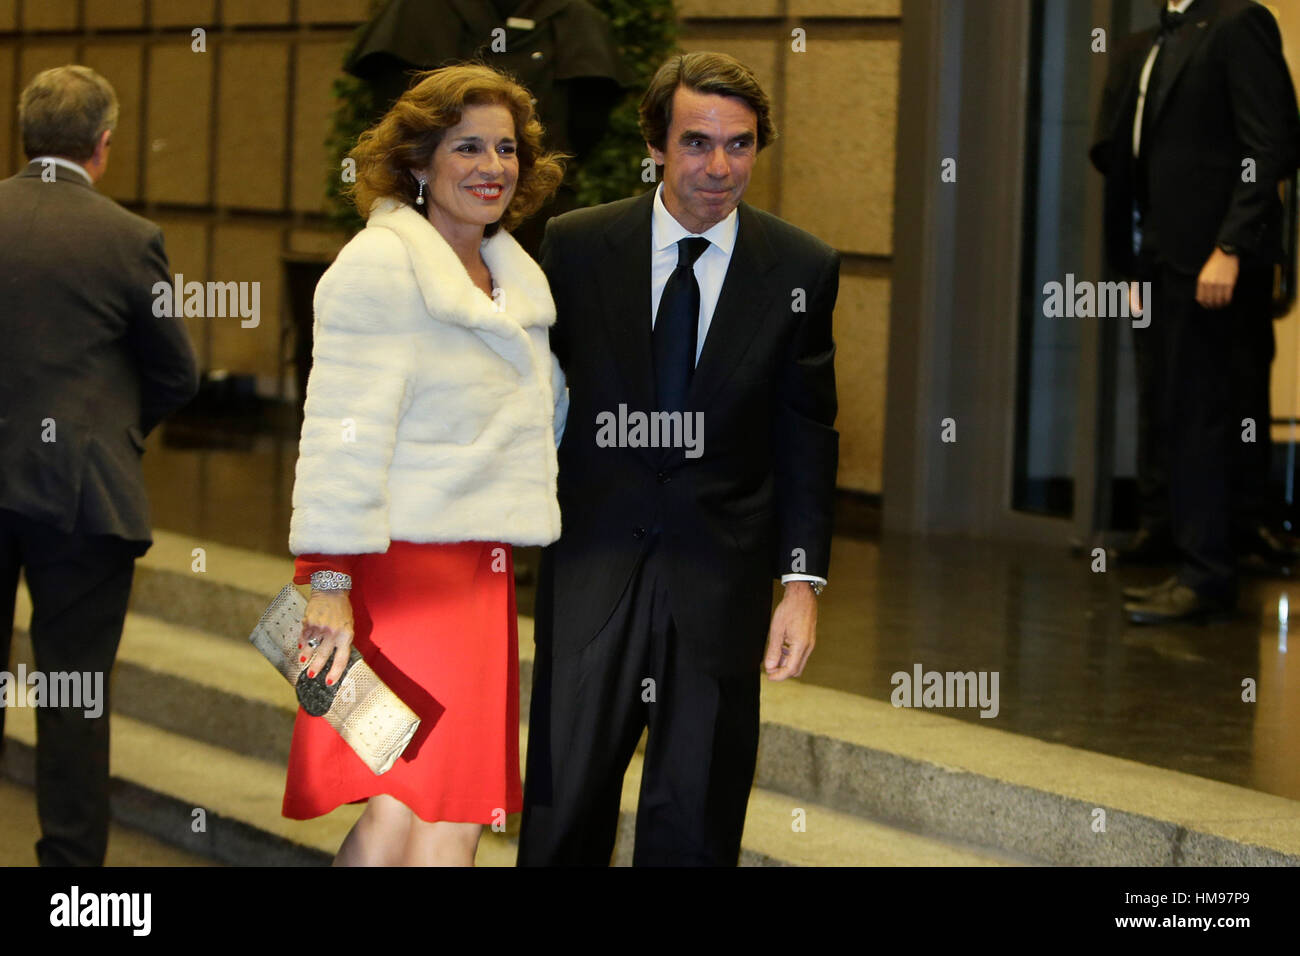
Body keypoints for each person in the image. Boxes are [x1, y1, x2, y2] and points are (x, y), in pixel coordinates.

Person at [518, 51, 840, 866]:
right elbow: (526, 404)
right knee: (563, 814)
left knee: (695, 823)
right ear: (656, 144)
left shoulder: (801, 268)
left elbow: (806, 433)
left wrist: (801, 584)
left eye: (740, 144)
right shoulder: (576, 245)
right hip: (590, 567)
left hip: (719, 579)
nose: (720, 167)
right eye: (697, 142)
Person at [284, 63, 567, 866]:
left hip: (480, 581)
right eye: (467, 146)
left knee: (447, 813)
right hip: (392, 583)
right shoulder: (379, 267)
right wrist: (327, 585)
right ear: (417, 161)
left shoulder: (515, 283)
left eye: (506, 149)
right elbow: (342, 436)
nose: (492, 167)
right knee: (405, 810)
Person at [0, 65, 199, 866]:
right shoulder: (127, 237)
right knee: (72, 695)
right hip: (81, 497)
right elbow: (176, 372)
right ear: (104, 145)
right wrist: (112, 429)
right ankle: (69, 885)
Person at [1090, 0, 1300, 622]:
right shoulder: (1153, 40)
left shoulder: (1239, 22)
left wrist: (1231, 245)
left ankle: (1207, 574)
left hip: (1213, 262)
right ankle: (1194, 563)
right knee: (1180, 413)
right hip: (1163, 262)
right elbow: (1133, 165)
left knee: (1207, 415)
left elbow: (1274, 141)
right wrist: (1133, 265)